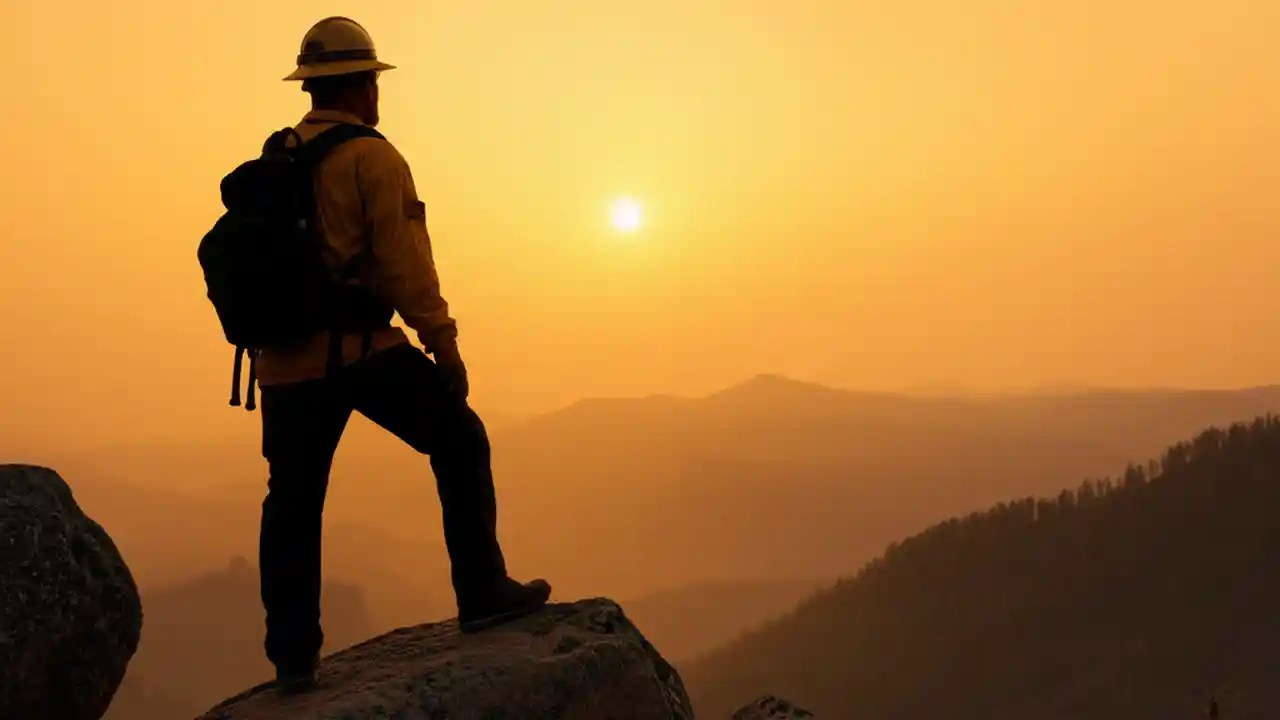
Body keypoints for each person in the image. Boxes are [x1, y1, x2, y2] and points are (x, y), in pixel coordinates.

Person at [256, 16, 550, 693]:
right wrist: (443, 343)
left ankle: (292, 658)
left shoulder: (280, 155)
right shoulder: (372, 158)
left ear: (311, 87)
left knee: (292, 502)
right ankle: (482, 592)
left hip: (282, 363)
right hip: (359, 352)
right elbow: (404, 265)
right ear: (363, 85)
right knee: (460, 440)